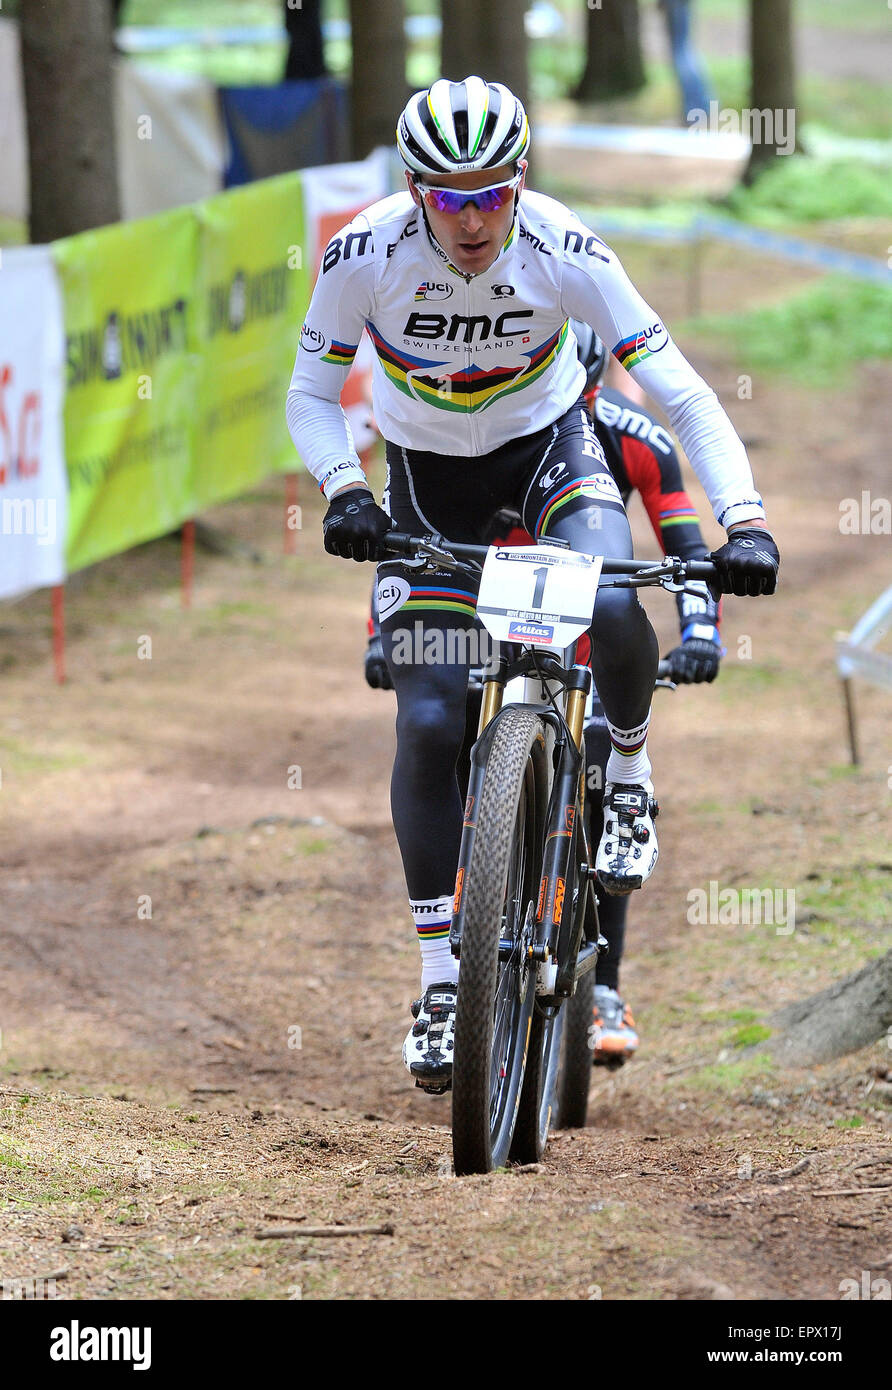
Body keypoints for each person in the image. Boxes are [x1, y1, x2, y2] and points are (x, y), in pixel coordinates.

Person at [286, 76, 778, 1091]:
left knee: (605, 600)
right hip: (424, 488)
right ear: (415, 190)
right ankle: (436, 979)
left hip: (549, 458)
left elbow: (680, 389)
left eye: (490, 194)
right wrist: (342, 488)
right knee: (426, 722)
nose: (470, 220)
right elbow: (308, 390)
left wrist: (746, 520)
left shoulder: (565, 247)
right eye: (448, 196)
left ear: (520, 182)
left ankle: (629, 777)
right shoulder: (363, 255)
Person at [363, 323, 724, 1065]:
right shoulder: (452, 434)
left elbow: (687, 550)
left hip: (584, 635)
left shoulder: (634, 440)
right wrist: (380, 638)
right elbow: (407, 547)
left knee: (594, 794)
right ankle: (461, 931)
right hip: (482, 624)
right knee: (440, 735)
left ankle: (605, 989)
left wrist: (701, 635)